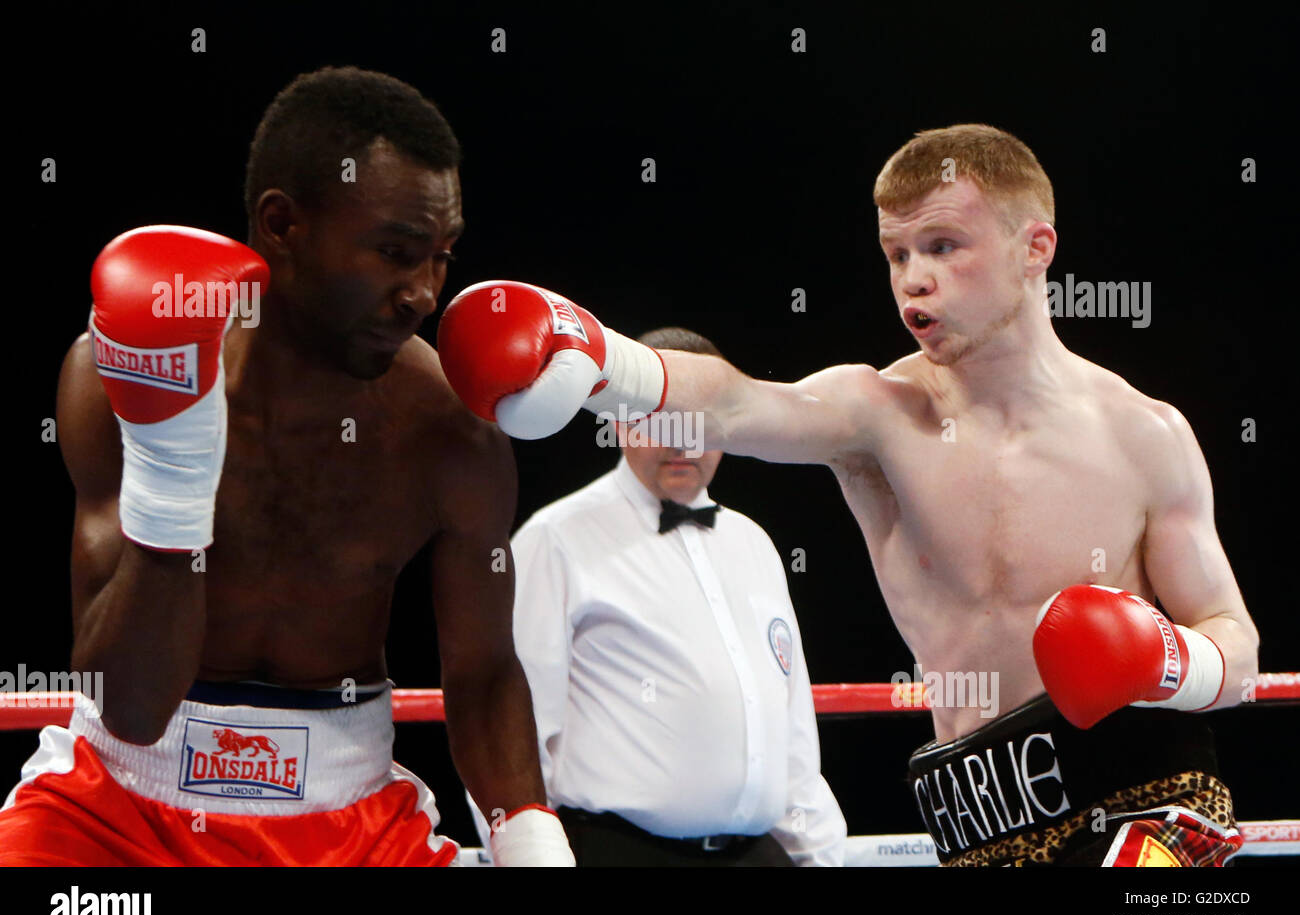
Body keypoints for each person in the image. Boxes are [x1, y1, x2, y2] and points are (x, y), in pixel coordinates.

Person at [435, 124, 1259, 867]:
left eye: (943, 247)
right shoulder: (880, 417)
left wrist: (1166, 658)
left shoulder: (1145, 435)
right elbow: (735, 402)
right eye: (898, 256)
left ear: (1034, 247)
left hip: (1150, 810)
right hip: (983, 828)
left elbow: (1239, 651)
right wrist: (605, 362)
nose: (916, 282)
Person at [0, 67, 572, 866]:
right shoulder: (118, 373)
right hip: (112, 811)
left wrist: (533, 839)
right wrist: (176, 470)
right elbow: (126, 706)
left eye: (442, 256)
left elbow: (481, 669)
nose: (424, 294)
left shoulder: (449, 428)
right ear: (281, 223)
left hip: (352, 825)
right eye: (395, 253)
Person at [470, 328, 846, 866]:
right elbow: (510, 728)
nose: (683, 441)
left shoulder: (755, 545)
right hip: (618, 850)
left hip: (759, 854)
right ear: (620, 415)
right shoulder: (555, 540)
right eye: (662, 417)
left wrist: (820, 856)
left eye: (700, 420)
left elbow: (790, 733)